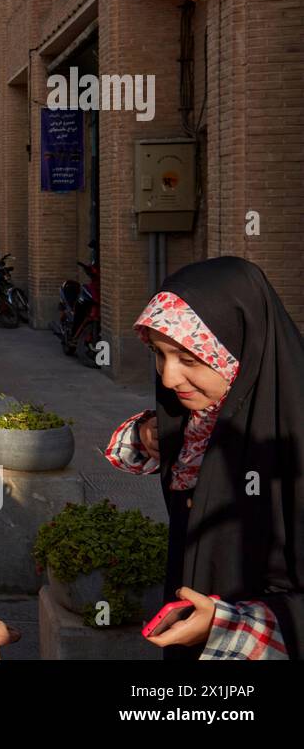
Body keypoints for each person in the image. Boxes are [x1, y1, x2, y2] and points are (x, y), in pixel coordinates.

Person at [104, 256, 304, 659]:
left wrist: (228, 626)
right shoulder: (199, 418)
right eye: (159, 355)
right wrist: (147, 432)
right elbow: (132, 448)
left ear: (241, 351)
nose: (168, 378)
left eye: (190, 360)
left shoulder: (289, 440)